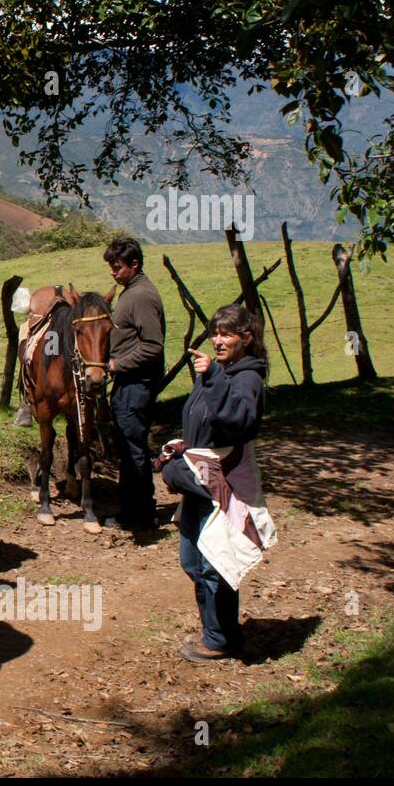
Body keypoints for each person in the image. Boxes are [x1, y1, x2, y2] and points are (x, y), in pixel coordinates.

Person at [160, 304, 270, 661]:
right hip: (201, 477)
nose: (218, 341)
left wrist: (213, 379)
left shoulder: (246, 378)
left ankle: (220, 638)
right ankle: (218, 629)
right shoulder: (220, 371)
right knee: (191, 560)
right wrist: (182, 446)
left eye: (227, 335)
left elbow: (237, 424)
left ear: (246, 339)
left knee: (214, 564)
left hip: (222, 481)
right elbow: (201, 420)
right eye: (215, 333)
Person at [103, 236, 165, 531]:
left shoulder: (141, 296)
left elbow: (153, 345)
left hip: (136, 383)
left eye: (117, 267)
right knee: (129, 446)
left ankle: (139, 514)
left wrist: (117, 364)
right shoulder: (131, 291)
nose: (112, 273)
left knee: (132, 449)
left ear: (134, 264)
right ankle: (135, 508)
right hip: (129, 383)